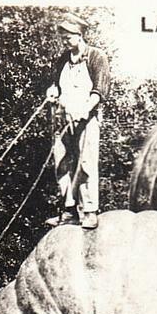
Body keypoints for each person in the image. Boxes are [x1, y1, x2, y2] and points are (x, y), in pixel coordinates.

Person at [44, 14, 111, 230]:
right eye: (62, 37)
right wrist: (52, 91)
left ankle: (90, 211)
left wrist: (84, 109)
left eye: (68, 37)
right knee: (61, 163)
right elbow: (56, 86)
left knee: (85, 163)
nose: (64, 41)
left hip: (86, 118)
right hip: (62, 119)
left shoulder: (96, 57)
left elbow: (99, 91)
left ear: (79, 35)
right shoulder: (62, 60)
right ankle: (69, 211)